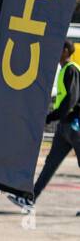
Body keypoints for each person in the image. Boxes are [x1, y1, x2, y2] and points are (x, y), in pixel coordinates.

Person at [12, 41, 80, 212]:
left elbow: (71, 99)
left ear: (65, 51)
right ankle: (29, 199)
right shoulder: (64, 69)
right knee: (50, 164)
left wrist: (51, 117)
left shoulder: (71, 69)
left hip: (75, 126)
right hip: (65, 127)